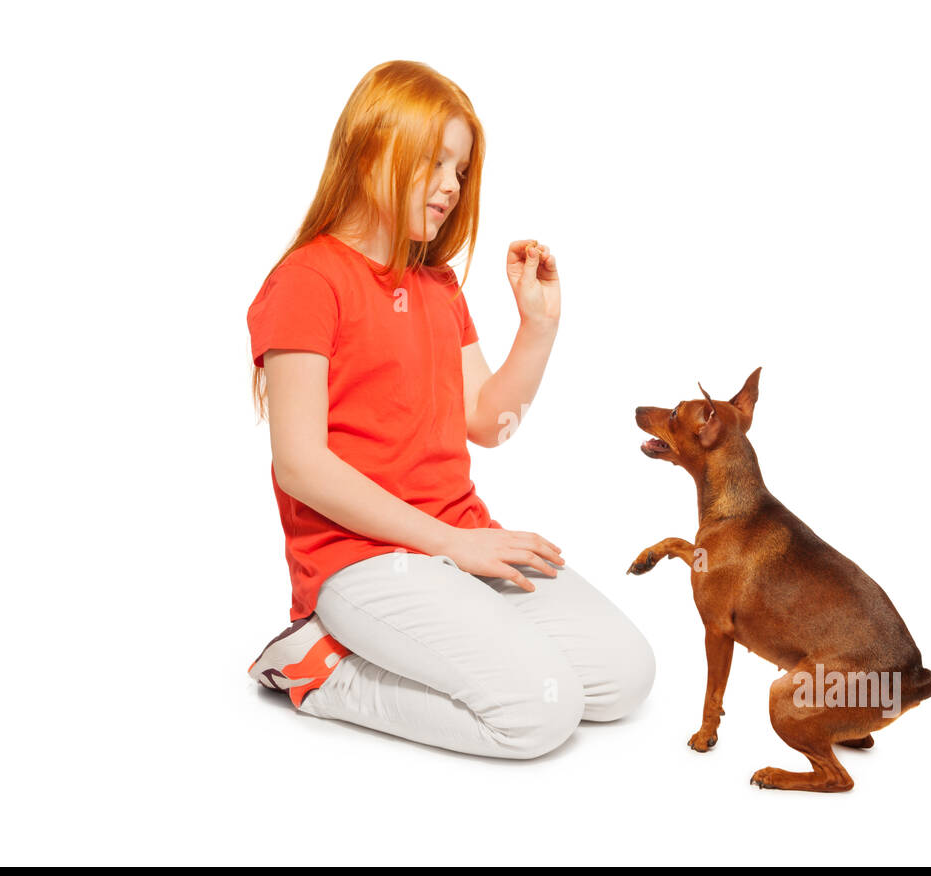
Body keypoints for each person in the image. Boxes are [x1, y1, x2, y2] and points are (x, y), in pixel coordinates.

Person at [244, 60, 655, 759]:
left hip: (454, 543)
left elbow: (488, 423)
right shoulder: (308, 280)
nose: (449, 187)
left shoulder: (437, 286)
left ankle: (459, 637)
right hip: (359, 561)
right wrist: (452, 546)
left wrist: (539, 328)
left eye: (460, 170)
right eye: (433, 162)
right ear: (372, 147)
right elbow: (301, 465)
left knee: (623, 680)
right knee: (535, 714)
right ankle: (320, 669)